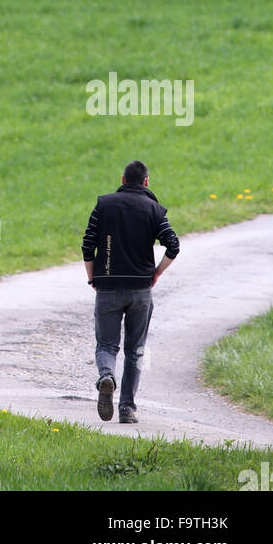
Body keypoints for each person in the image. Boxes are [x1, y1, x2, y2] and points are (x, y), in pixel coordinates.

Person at [81, 160, 179, 424]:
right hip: (140, 291)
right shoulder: (154, 209)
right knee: (135, 350)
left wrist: (93, 278)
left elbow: (88, 244)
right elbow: (173, 245)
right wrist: (157, 272)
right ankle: (127, 409)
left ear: (123, 180)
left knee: (106, 345)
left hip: (108, 286)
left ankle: (106, 377)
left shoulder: (104, 205)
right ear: (146, 181)